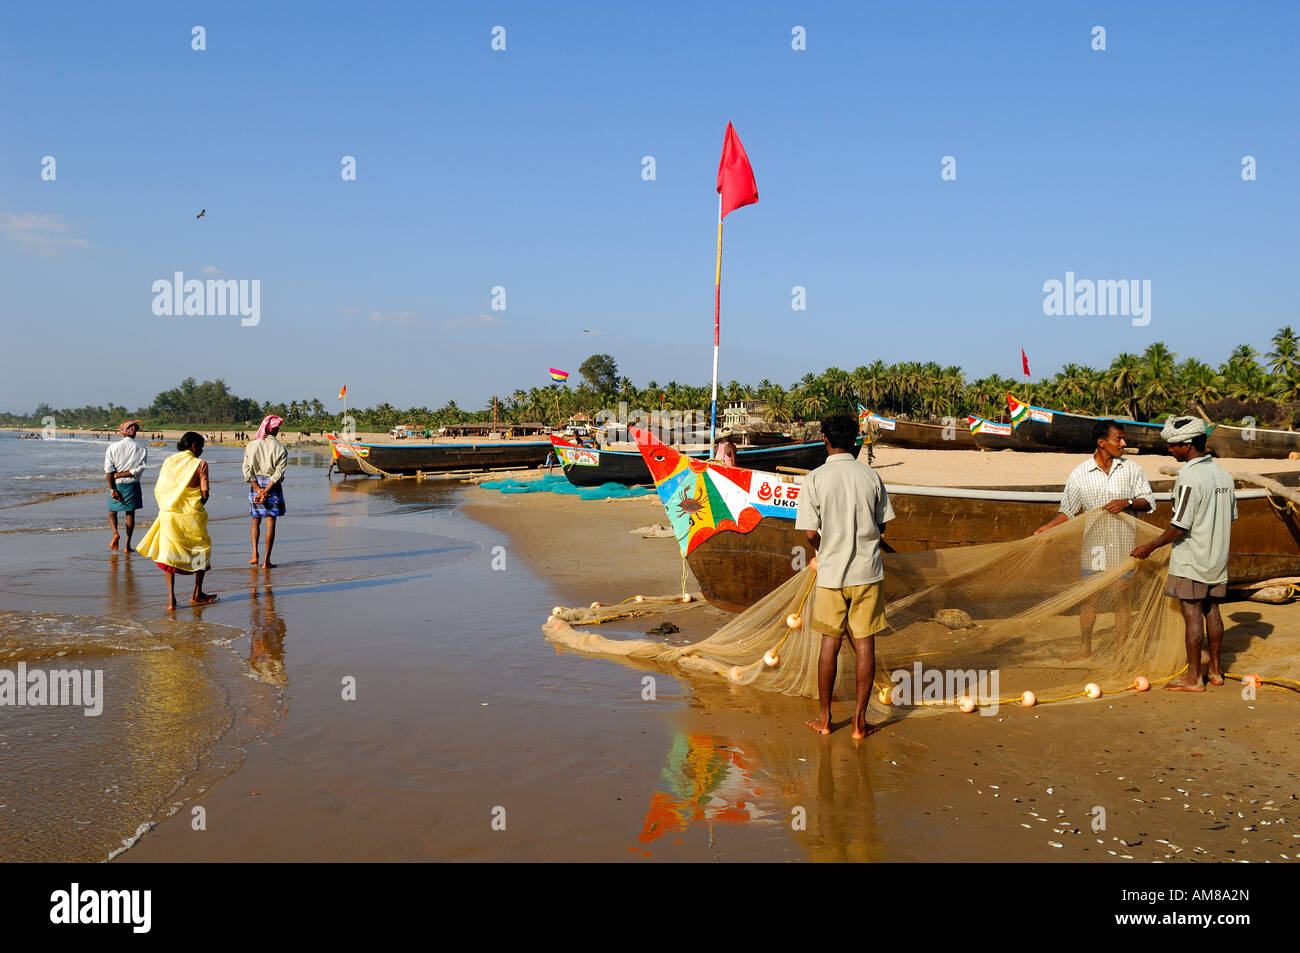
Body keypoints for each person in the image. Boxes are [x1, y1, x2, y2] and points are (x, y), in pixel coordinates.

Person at [794, 412, 895, 739]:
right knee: (865, 644)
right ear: (855, 441)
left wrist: (824, 548)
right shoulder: (871, 478)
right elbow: (882, 527)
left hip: (831, 575)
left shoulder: (815, 479)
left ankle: (825, 720)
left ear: (825, 440)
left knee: (829, 644)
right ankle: (858, 724)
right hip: (867, 573)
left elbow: (810, 533)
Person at [1131, 416, 1237, 691]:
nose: (1171, 450)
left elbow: (1179, 526)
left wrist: (1149, 547)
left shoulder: (1189, 477)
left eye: (1174, 445)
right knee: (1212, 609)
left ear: (1188, 446)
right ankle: (1215, 671)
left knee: (1192, 615)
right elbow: (1231, 516)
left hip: (1192, 559)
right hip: (1217, 559)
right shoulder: (1223, 474)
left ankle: (1193, 678)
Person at [1033, 420, 1154, 656]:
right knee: (1089, 599)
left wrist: (1127, 502)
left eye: (1123, 438)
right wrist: (1049, 527)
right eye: (1118, 439)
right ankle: (1085, 648)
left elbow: (1148, 502)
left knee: (1122, 600)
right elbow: (1067, 512)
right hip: (1095, 547)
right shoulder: (1080, 473)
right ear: (1102, 443)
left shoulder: (1132, 469)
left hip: (1124, 546)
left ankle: (1121, 649)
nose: (1124, 443)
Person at [136, 432, 216, 609]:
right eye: (201, 446)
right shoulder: (200, 464)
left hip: (169, 513)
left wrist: (168, 505)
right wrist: (195, 506)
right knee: (201, 549)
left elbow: (161, 488)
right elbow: (205, 493)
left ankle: (171, 600)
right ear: (194, 445)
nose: (202, 451)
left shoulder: (169, 461)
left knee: (168, 555)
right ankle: (197, 593)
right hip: (193, 516)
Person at [243, 414, 289, 568]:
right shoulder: (280, 448)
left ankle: (254, 554)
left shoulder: (251, 445)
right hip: (272, 486)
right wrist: (266, 490)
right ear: (275, 429)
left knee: (255, 519)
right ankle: (266, 561)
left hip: (255, 484)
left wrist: (258, 490)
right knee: (270, 521)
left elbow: (246, 470)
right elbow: (278, 474)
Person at [103, 420, 148, 552]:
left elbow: (109, 472)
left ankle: (115, 532)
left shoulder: (112, 447)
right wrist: (122, 474)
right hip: (132, 484)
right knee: (130, 514)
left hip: (115, 485)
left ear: (123, 432)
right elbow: (139, 469)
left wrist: (113, 489)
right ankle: (127, 546)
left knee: (112, 512)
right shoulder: (142, 449)